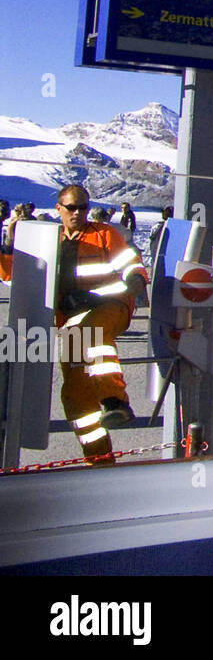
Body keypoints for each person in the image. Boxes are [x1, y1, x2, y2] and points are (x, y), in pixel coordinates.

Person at [0, 185, 146, 463]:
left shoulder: (105, 234)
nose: (78, 213)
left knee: (93, 333)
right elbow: (10, 276)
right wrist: (9, 241)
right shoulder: (48, 240)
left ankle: (115, 401)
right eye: (72, 208)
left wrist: (133, 282)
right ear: (59, 209)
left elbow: (133, 267)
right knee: (76, 396)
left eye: (83, 207)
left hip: (109, 306)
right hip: (71, 322)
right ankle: (99, 458)